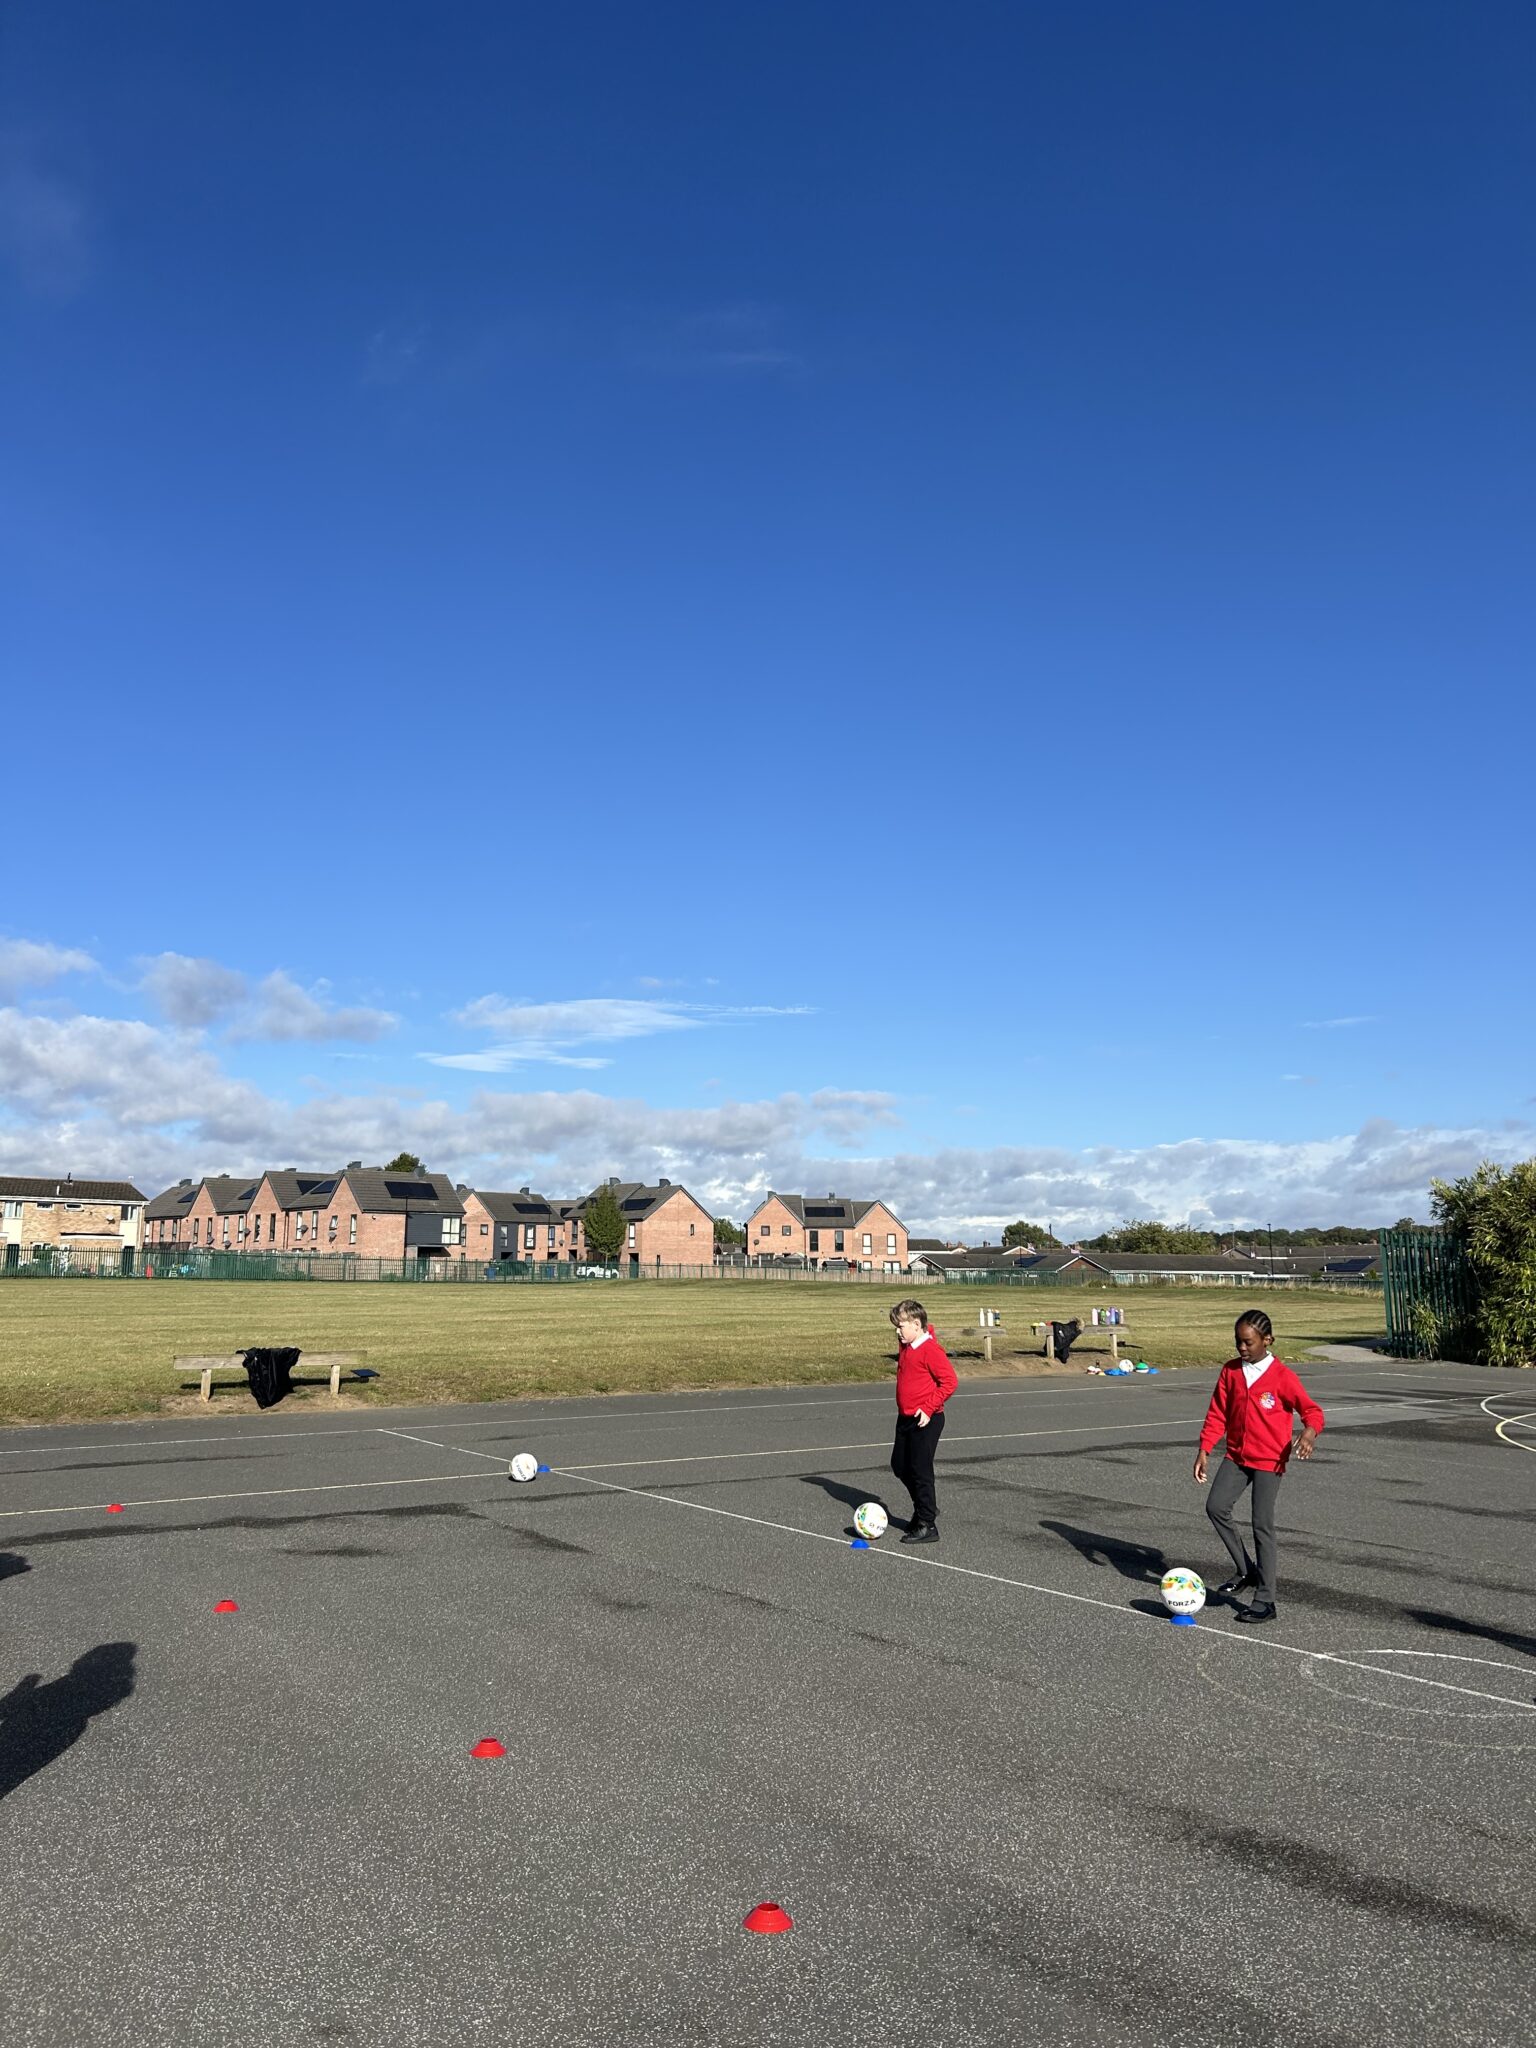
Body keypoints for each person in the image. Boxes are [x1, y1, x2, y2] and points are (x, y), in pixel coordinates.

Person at [1193, 1309, 1324, 1624]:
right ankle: (1245, 1570)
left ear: (1267, 1340)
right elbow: (1217, 1413)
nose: (1242, 1348)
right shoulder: (1231, 1372)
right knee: (1216, 1507)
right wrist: (1205, 1448)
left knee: (1261, 1525)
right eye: (1238, 1341)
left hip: (1269, 1459)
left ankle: (1266, 1600)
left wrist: (1308, 1432)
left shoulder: (1282, 1377)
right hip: (1237, 1456)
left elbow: (1312, 1410)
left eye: (1248, 1342)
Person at [888, 1299, 958, 1544]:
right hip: (905, 1417)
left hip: (926, 1419)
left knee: (920, 1470)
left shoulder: (930, 1350)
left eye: (902, 1326)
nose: (898, 1331)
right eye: (896, 1326)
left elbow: (949, 1382)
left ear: (917, 1325)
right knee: (899, 1465)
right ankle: (924, 1507)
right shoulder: (906, 1344)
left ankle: (927, 1523)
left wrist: (928, 1408)